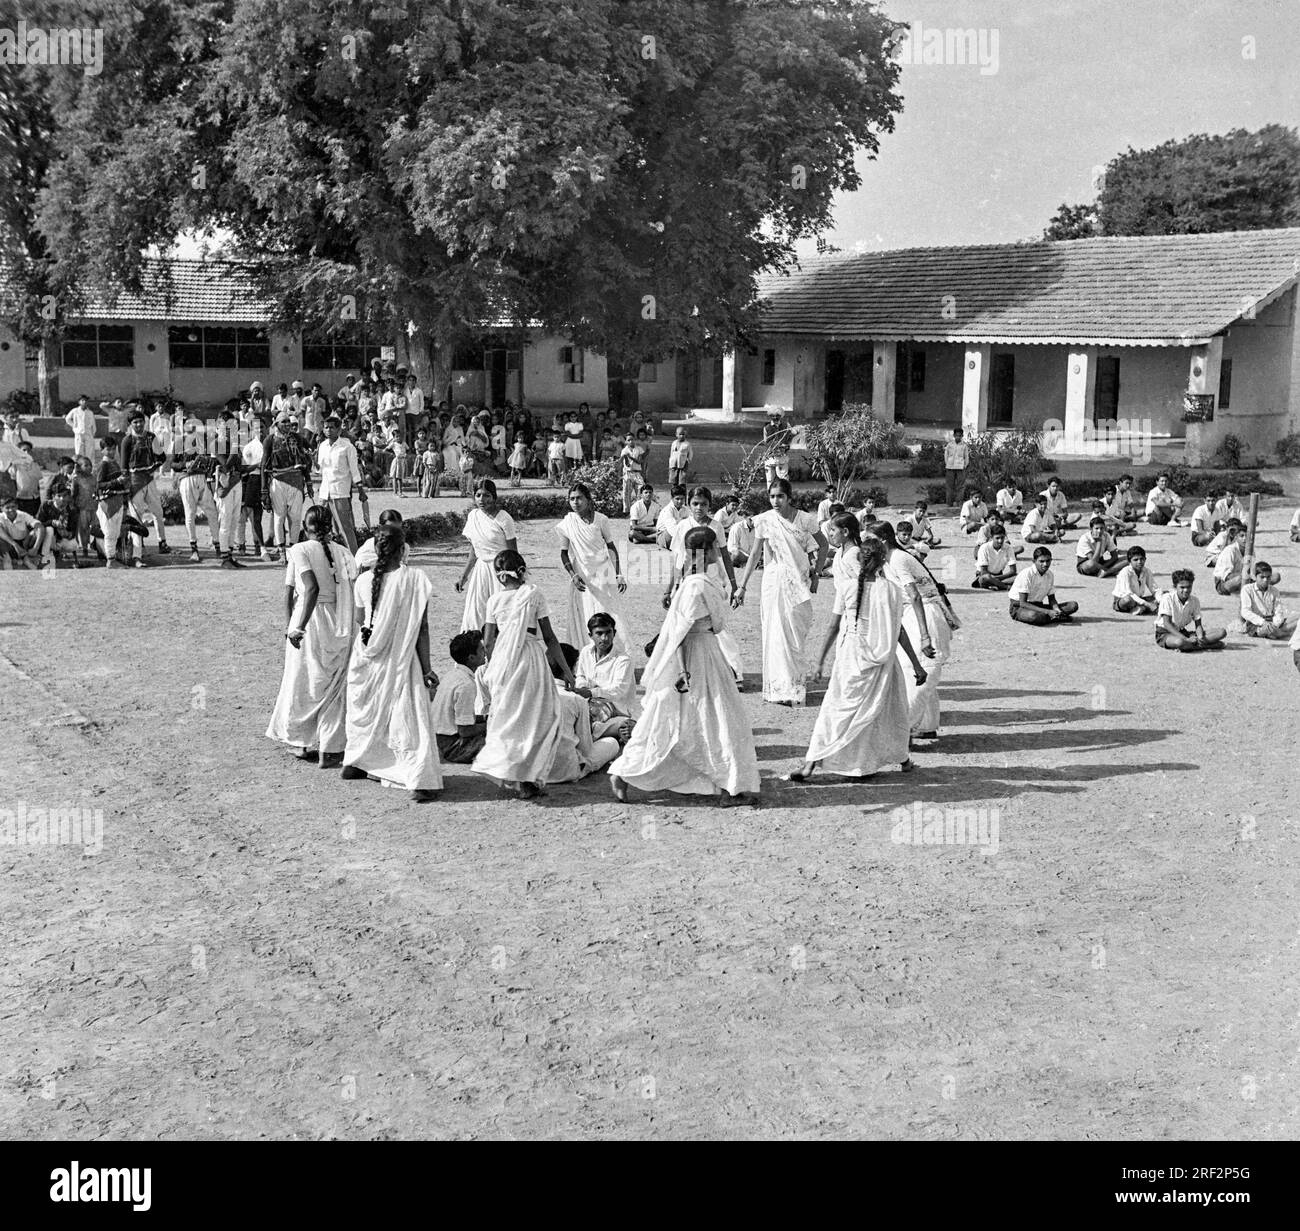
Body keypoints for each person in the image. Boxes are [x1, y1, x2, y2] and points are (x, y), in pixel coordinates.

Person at [609, 526, 760, 805]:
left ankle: (727, 785)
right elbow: (679, 633)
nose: (719, 551)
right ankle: (624, 771)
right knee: (688, 719)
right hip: (693, 658)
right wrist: (682, 670)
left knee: (710, 719)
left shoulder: (697, 581)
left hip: (707, 653)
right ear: (703, 552)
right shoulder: (694, 586)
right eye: (714, 547)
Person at [789, 523, 919, 782]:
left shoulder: (847, 587)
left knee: (836, 710)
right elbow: (899, 631)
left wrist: (820, 663)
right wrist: (917, 665)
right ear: (883, 561)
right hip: (883, 661)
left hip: (851, 657)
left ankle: (809, 766)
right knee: (892, 710)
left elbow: (833, 627)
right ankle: (903, 760)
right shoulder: (891, 590)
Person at [341, 525, 443, 800]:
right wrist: (427, 668)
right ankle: (418, 778)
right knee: (407, 714)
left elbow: (361, 620)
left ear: (375, 550)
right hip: (401, 658)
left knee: (369, 710)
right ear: (403, 550)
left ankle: (358, 761)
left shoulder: (363, 581)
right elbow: (421, 628)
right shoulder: (414, 578)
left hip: (368, 657)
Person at [471, 549, 574, 800]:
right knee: (536, 717)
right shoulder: (534, 594)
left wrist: (492, 666)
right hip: (530, 660)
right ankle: (528, 777)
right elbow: (549, 637)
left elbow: (488, 641)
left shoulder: (494, 601)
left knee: (509, 717)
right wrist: (568, 670)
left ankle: (512, 772)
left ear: (500, 577)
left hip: (506, 662)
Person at [267, 505, 358, 767]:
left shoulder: (300, 550)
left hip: (309, 621)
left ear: (305, 528)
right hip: (338, 621)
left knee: (303, 681)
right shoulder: (343, 553)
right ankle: (329, 745)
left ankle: (301, 742)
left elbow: (306, 589)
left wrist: (295, 627)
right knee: (330, 685)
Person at [732, 478, 828, 706]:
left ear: (789, 497)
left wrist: (817, 574)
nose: (776, 501)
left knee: (795, 632)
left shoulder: (806, 519)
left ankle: (795, 686)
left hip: (799, 579)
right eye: (772, 496)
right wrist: (742, 586)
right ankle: (779, 689)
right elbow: (755, 555)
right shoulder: (765, 519)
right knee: (775, 632)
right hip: (774, 581)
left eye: (780, 496)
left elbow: (823, 545)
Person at [666, 485, 743, 686]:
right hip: (689, 581)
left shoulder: (716, 526)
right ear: (689, 505)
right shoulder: (683, 526)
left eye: (704, 504)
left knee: (717, 626)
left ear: (710, 505)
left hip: (712, 580)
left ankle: (734, 670)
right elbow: (677, 560)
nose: (699, 508)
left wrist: (734, 585)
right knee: (687, 627)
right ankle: (690, 670)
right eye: (695, 504)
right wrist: (670, 589)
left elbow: (724, 556)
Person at [556, 481, 630, 650]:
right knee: (585, 615)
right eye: (572, 499)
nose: (575, 502)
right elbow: (563, 552)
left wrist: (618, 575)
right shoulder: (567, 523)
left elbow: (611, 547)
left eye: (579, 498)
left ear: (588, 499)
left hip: (604, 574)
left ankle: (614, 655)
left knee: (609, 613)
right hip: (582, 576)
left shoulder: (601, 520)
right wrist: (573, 575)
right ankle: (587, 657)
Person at [546, 645, 622, 783]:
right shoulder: (576, 700)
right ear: (573, 668)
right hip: (565, 771)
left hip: (531, 771)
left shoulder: (528, 694)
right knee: (612, 743)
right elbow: (586, 749)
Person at [455, 479, 518, 631]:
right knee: (477, 611)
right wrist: (463, 576)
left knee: (503, 611)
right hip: (481, 571)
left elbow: (513, 553)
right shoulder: (473, 516)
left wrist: (514, 579)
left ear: (494, 497)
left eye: (487, 495)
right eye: (478, 495)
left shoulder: (504, 518)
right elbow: (474, 550)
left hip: (502, 571)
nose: (482, 500)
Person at [119, 411, 171, 562]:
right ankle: (137, 552)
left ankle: (162, 542)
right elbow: (123, 467)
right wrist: (126, 486)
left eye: (140, 421)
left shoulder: (151, 437)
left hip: (149, 478)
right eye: (135, 422)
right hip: (135, 481)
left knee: (158, 512)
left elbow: (161, 457)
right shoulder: (127, 441)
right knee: (136, 517)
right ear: (130, 424)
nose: (139, 424)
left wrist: (152, 469)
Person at [432, 630, 489, 763]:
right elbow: (465, 731)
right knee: (500, 743)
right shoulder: (466, 685)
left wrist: (486, 718)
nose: (485, 652)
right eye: (481, 650)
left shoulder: (453, 674)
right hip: (451, 745)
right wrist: (490, 724)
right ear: (471, 657)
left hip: (438, 737)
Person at [261, 415, 312, 560]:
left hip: (296, 481)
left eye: (289, 421)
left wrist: (308, 482)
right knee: (279, 517)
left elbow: (305, 462)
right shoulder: (270, 440)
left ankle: (293, 551)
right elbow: (264, 465)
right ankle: (282, 551)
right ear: (276, 423)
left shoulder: (298, 438)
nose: (287, 424)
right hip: (278, 482)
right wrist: (264, 490)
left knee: (296, 519)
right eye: (284, 421)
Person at [574, 612, 639, 719]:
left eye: (608, 632)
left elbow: (618, 690)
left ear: (614, 633)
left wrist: (590, 693)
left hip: (615, 709)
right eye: (599, 633)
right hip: (589, 702)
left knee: (587, 718)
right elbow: (580, 675)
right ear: (590, 635)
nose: (604, 638)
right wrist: (582, 687)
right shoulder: (586, 651)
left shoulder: (623, 659)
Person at [317, 416, 364, 552]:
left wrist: (360, 489)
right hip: (325, 492)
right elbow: (320, 469)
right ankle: (327, 555)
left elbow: (354, 470)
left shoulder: (347, 447)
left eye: (332, 427)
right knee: (321, 526)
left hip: (340, 492)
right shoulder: (323, 446)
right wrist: (313, 462)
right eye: (326, 427)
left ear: (339, 429)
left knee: (345, 527)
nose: (328, 430)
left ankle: (354, 556)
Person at [1155, 569, 1225, 651]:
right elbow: (1167, 624)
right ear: (1175, 587)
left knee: (1222, 632)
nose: (1186, 590)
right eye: (1182, 587)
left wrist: (1200, 636)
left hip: (1182, 631)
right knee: (1179, 642)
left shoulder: (1194, 601)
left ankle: (1191, 646)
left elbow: (1198, 624)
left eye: (1189, 587)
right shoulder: (1167, 598)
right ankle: (1207, 646)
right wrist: (1186, 639)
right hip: (1166, 633)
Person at [1008, 548, 1079, 625]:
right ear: (1034, 561)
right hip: (1020, 607)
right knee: (1034, 616)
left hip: (1038, 606)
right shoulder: (1027, 574)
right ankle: (1054, 618)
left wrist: (1057, 609)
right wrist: (1048, 611)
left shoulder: (1050, 575)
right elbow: (1023, 603)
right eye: (1041, 561)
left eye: (1048, 561)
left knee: (1073, 605)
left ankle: (1053, 617)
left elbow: (1052, 599)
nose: (1045, 564)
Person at [175, 447, 221, 563]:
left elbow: (213, 461)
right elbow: (172, 464)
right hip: (186, 479)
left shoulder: (202, 440)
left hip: (202, 479)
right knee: (190, 514)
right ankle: (194, 549)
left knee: (212, 513)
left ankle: (217, 545)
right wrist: (185, 464)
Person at [93, 434, 128, 567]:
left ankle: (112, 557)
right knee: (110, 533)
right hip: (108, 503)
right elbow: (99, 485)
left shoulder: (115, 464)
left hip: (117, 501)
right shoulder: (103, 465)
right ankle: (110, 560)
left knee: (115, 532)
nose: (111, 452)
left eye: (113, 449)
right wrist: (117, 481)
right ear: (102, 450)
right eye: (108, 449)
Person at [1238, 561, 1295, 639]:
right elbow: (1245, 612)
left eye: (1268, 577)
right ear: (1255, 577)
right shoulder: (1247, 589)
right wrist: (1263, 622)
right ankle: (1282, 634)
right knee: (1266, 630)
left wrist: (1275, 624)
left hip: (1272, 622)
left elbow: (1278, 611)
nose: (1265, 580)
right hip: (1255, 624)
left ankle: (1278, 633)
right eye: (1262, 577)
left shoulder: (1275, 591)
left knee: (1297, 617)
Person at [1112, 546, 1159, 615]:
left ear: (1145, 559)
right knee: (1127, 600)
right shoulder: (1125, 572)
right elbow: (1129, 593)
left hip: (1138, 599)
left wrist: (1161, 599)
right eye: (1135, 560)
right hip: (1123, 600)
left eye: (1142, 559)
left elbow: (1155, 589)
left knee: (1164, 595)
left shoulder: (1146, 571)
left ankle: (1141, 608)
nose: (1139, 562)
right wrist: (1148, 604)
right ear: (1129, 561)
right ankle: (1143, 607)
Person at [0, 494, 41, 569]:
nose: (11, 510)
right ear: (2, 508)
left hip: (24, 543)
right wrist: (15, 544)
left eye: (13, 506)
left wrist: (35, 548)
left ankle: (27, 559)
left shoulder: (22, 515)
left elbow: (39, 526)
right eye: (7, 507)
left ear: (17, 506)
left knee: (38, 531)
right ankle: (8, 560)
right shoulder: (1, 516)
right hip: (10, 544)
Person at [974, 523, 1017, 589]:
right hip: (984, 576)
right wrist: (993, 578)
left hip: (999, 576)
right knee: (987, 577)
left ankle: (996, 585)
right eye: (997, 538)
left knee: (1018, 577)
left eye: (1002, 538)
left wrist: (996, 578)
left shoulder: (1008, 548)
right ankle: (1005, 586)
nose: (1000, 541)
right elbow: (984, 571)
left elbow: (1013, 571)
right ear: (991, 537)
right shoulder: (984, 548)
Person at [654, 485, 688, 551]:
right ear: (672, 498)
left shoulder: (685, 509)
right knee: (671, 534)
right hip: (664, 535)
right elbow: (672, 530)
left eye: (682, 499)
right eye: (677, 499)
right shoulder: (668, 510)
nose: (680, 501)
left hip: (679, 534)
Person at [762, 412, 791, 486]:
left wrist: (786, 446)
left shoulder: (786, 426)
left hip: (782, 456)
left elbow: (789, 438)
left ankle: (785, 495)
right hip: (770, 457)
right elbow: (766, 442)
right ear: (770, 416)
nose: (775, 417)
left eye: (777, 416)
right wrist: (774, 446)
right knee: (769, 480)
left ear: (781, 416)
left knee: (784, 479)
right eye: (773, 416)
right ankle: (770, 496)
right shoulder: (766, 428)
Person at [64, 396, 98, 461]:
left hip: (88, 433)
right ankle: (79, 466)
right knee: (79, 451)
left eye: (85, 400)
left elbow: (93, 424)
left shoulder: (90, 412)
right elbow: (68, 419)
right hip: (79, 433)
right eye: (82, 400)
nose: (84, 402)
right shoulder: (75, 411)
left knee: (89, 451)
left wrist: (93, 432)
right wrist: (74, 426)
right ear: (79, 402)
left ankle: (89, 466)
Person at [944, 427, 968, 507]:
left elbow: (966, 457)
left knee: (960, 486)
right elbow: (946, 455)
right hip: (950, 468)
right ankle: (949, 503)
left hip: (960, 468)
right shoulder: (950, 445)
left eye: (960, 436)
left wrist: (965, 465)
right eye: (956, 435)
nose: (958, 437)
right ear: (954, 435)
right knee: (949, 486)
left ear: (962, 436)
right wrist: (947, 463)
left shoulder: (964, 446)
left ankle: (959, 502)